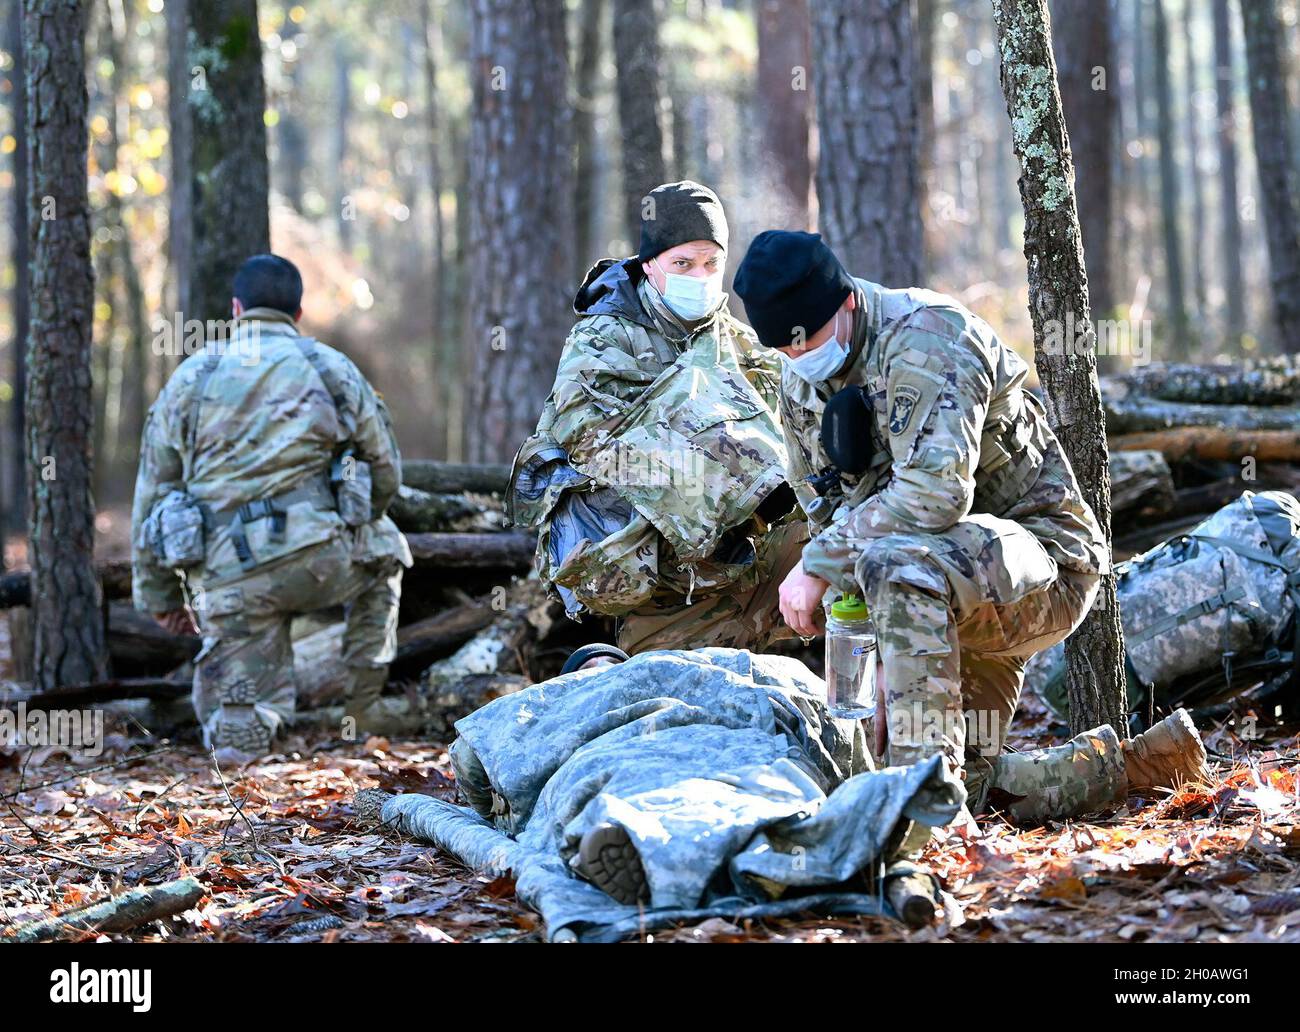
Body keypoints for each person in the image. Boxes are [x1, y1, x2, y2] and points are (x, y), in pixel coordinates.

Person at [731, 231, 1207, 821]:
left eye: (810, 341)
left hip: (1042, 570)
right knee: (973, 786)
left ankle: (916, 815)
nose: (800, 360)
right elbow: (826, 508)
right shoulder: (798, 374)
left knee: (895, 572)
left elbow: (933, 497)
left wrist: (819, 565)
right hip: (937, 590)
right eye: (786, 350)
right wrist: (873, 647)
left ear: (847, 302)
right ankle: (1142, 765)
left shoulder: (930, 337)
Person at [131, 254, 412, 758]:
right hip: (321, 561)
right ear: (298, 314)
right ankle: (361, 704)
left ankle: (244, 713)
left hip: (226, 576)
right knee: (388, 549)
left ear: (236, 309)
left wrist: (160, 596)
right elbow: (386, 471)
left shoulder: (192, 377)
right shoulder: (331, 368)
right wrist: (362, 518)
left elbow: (153, 497)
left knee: (242, 659)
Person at [507, 181, 804, 655]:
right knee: (662, 697)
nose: (700, 276)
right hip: (655, 567)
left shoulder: (738, 342)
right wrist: (717, 469)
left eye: (712, 263)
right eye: (682, 264)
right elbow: (582, 439)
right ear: (650, 266)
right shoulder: (605, 338)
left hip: (746, 553)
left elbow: (797, 421)